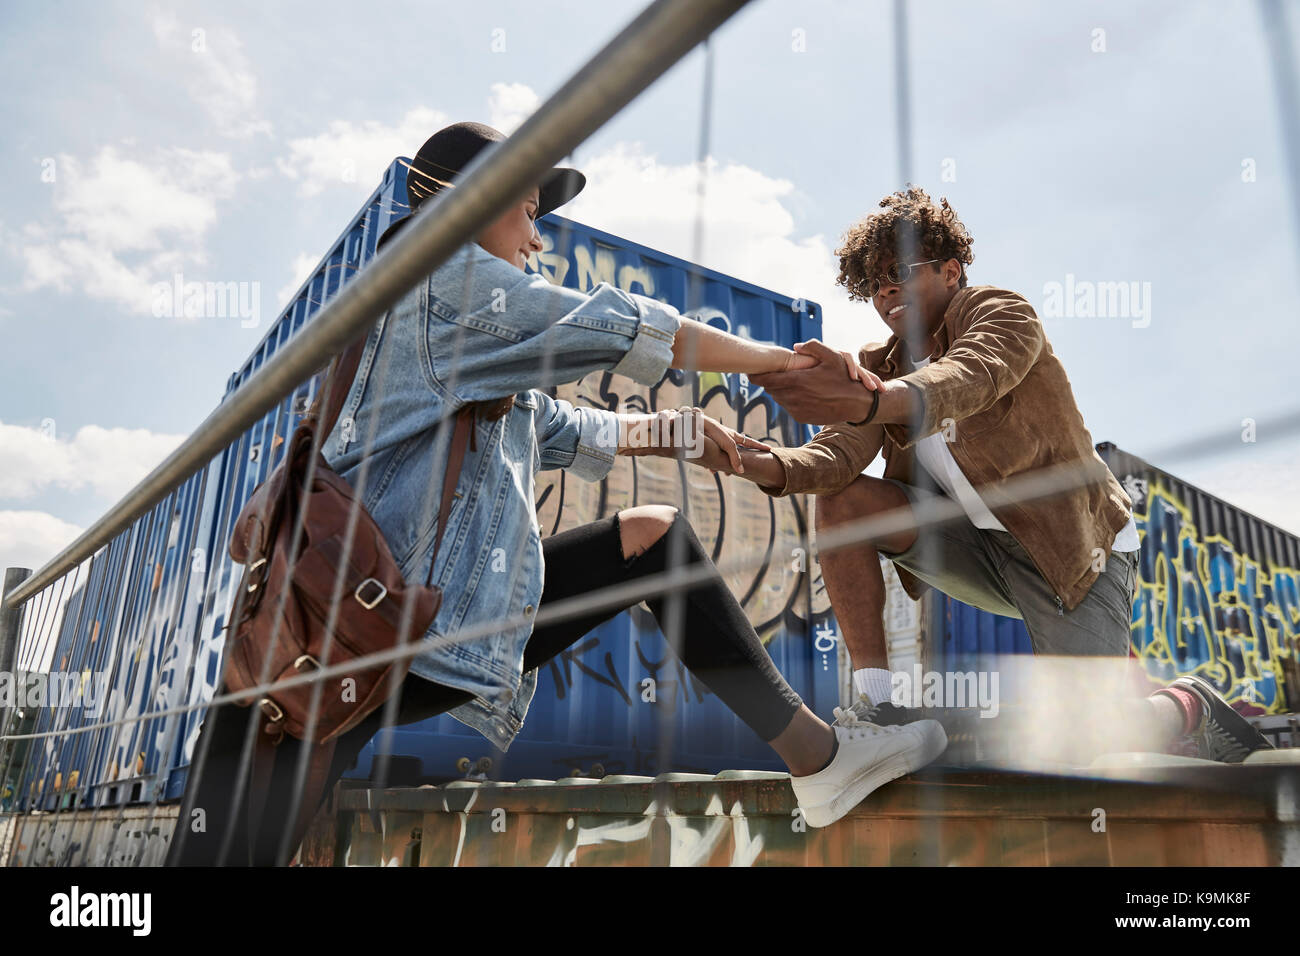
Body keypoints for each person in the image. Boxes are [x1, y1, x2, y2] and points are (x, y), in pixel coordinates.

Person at [165, 125, 946, 866]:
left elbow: (561, 429)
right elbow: (618, 326)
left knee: (651, 537)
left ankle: (820, 760)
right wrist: (778, 364)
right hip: (324, 648)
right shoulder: (440, 286)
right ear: (469, 201)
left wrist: (686, 436)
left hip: (409, 629)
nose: (538, 238)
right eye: (529, 212)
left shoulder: (463, 337)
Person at [721, 186, 1273, 765]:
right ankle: (878, 707)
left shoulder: (1000, 314)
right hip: (980, 548)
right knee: (844, 500)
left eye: (901, 272)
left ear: (951, 270)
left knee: (1095, 744)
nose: (887, 291)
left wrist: (870, 398)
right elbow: (833, 457)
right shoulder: (880, 366)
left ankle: (1189, 704)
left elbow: (969, 378)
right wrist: (745, 458)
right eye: (874, 284)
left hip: (1072, 551)